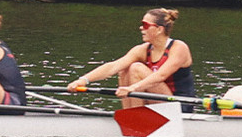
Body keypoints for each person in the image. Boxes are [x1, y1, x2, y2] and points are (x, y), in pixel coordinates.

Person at [64, 6, 196, 108]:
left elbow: (160, 75)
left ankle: (136, 117)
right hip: (158, 102)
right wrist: (83, 80)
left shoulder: (179, 48)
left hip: (178, 105)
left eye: (145, 25)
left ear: (159, 29)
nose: (140, 28)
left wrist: (132, 88)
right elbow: (113, 66)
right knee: (124, 69)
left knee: (136, 68)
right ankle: (130, 114)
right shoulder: (143, 50)